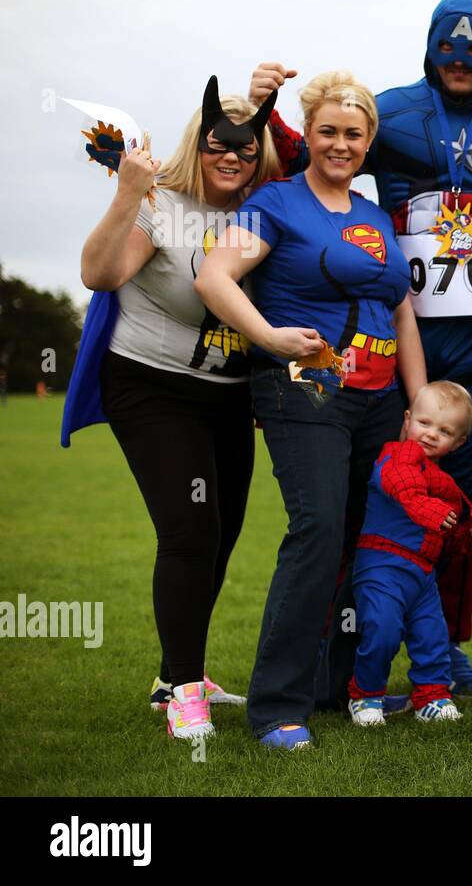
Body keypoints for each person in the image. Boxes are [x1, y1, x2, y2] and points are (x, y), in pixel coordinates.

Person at [248, 0, 472, 693]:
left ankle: (444, 647)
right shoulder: (388, 110)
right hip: (394, 338)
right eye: (449, 46)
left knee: (461, 497)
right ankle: (342, 646)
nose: (462, 61)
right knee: (377, 497)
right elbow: (315, 161)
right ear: (429, 45)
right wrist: (262, 112)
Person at [196, 71, 426, 751]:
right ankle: (275, 706)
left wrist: (416, 402)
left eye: (354, 134)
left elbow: (401, 311)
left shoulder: (374, 214)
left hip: (380, 400)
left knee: (366, 538)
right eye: (327, 131)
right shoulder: (275, 202)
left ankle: (338, 685)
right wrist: (267, 336)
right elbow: (213, 277)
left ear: (368, 142)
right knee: (319, 531)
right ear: (309, 134)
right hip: (304, 385)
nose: (340, 144)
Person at [66, 76, 280, 740]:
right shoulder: (163, 204)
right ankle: (184, 691)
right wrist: (128, 195)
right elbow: (99, 275)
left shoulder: (265, 210)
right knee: (188, 531)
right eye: (221, 147)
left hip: (228, 397)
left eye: (246, 152)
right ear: (200, 141)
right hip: (151, 385)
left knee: (221, 535)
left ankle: (176, 676)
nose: (232, 159)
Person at [347, 381, 472, 728]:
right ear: (408, 419)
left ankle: (432, 695)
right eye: (424, 423)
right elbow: (403, 487)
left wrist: (470, 533)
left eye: (444, 431)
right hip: (381, 565)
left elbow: (449, 536)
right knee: (381, 629)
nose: (430, 434)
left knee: (432, 635)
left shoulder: (443, 482)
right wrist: (428, 510)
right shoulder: (397, 457)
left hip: (422, 575)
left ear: (458, 443)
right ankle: (365, 695)